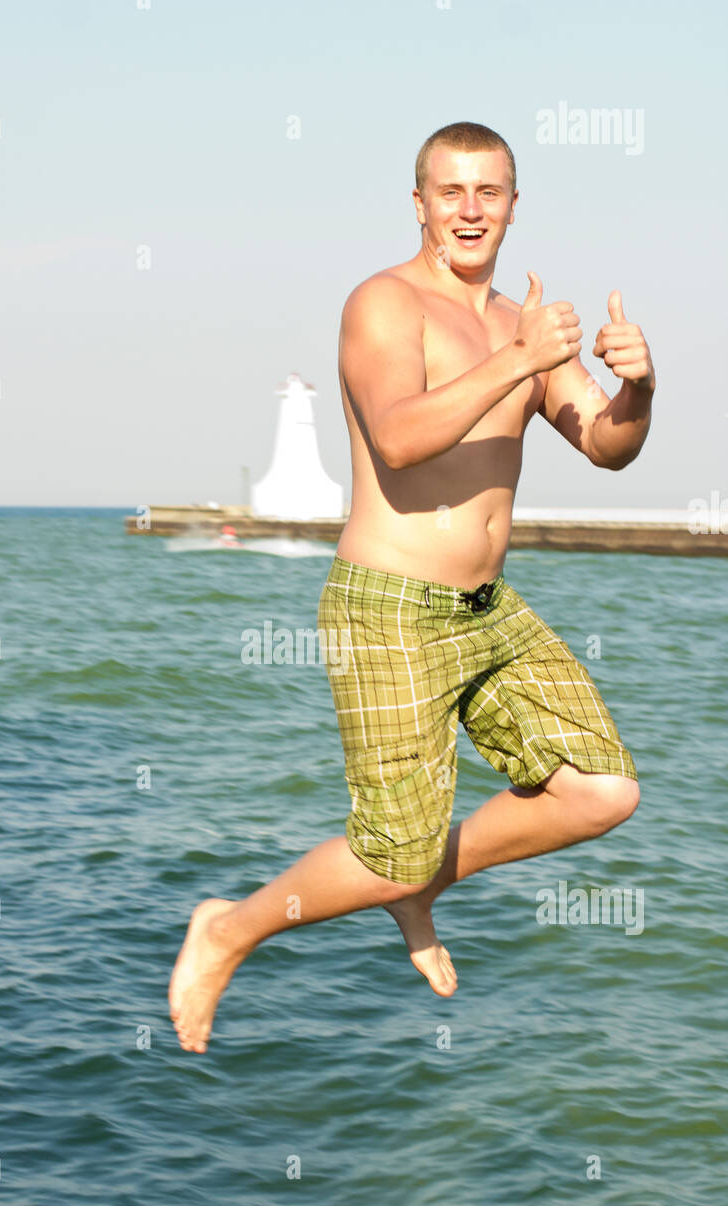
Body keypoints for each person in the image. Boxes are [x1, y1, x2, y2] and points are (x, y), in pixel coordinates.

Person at [169, 121, 654, 1054]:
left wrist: (639, 389)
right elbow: (396, 436)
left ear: (514, 204)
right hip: (389, 608)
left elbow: (607, 448)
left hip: (488, 608)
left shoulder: (524, 320)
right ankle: (229, 929)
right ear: (421, 202)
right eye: (451, 192)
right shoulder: (383, 305)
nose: (470, 210)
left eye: (491, 192)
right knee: (387, 851)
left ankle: (421, 881)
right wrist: (520, 361)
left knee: (601, 791)